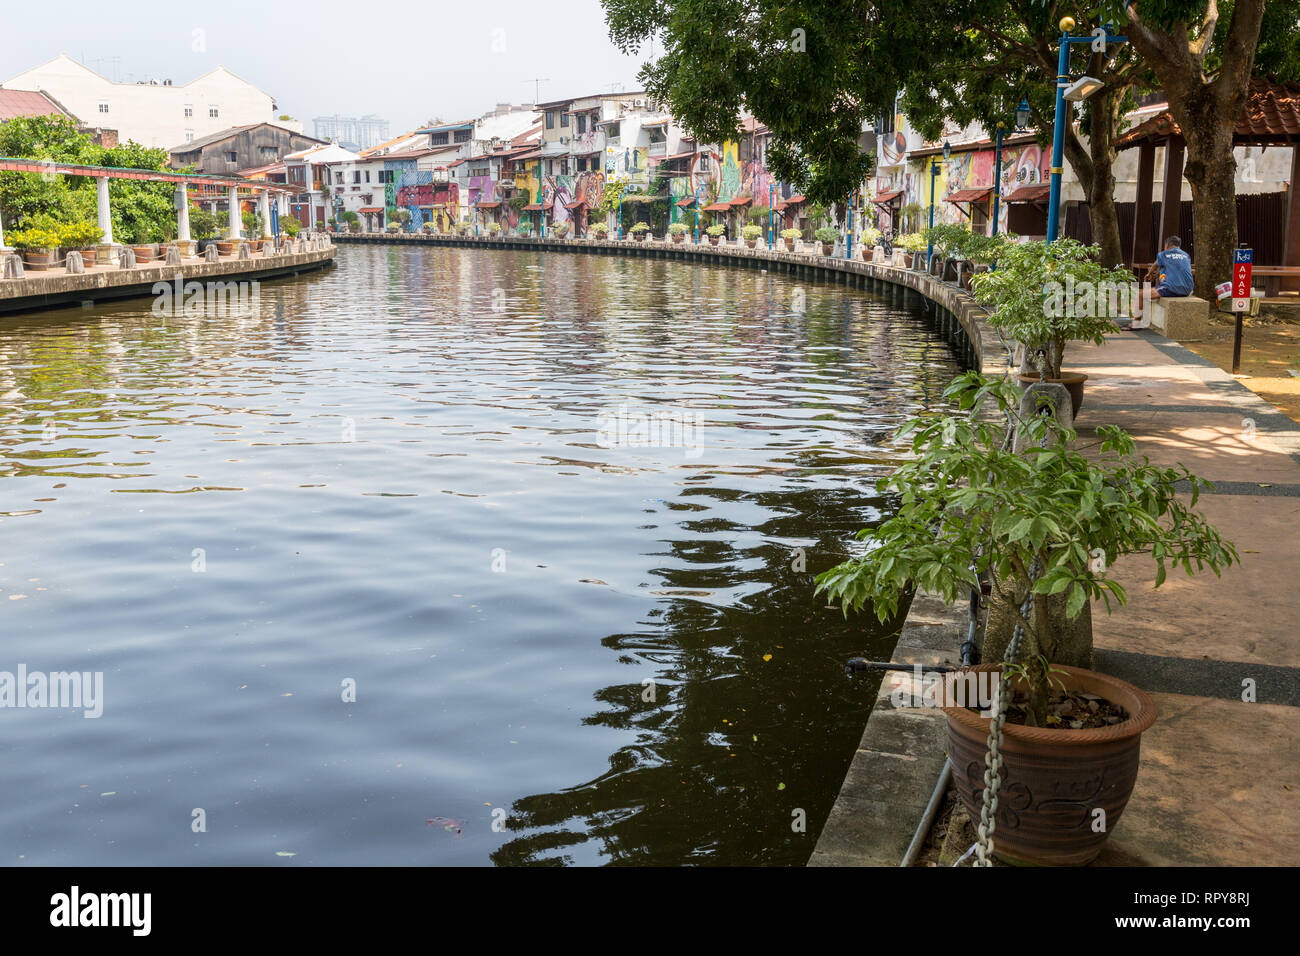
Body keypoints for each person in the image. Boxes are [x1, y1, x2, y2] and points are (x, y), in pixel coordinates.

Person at [1133, 236, 1193, 327]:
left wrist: (1149, 273)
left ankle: (1136, 323)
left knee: (1140, 295)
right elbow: (1175, 270)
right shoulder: (1186, 255)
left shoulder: (1163, 254)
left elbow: (1155, 264)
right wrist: (1157, 275)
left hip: (1171, 289)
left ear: (1167, 245)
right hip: (1188, 290)